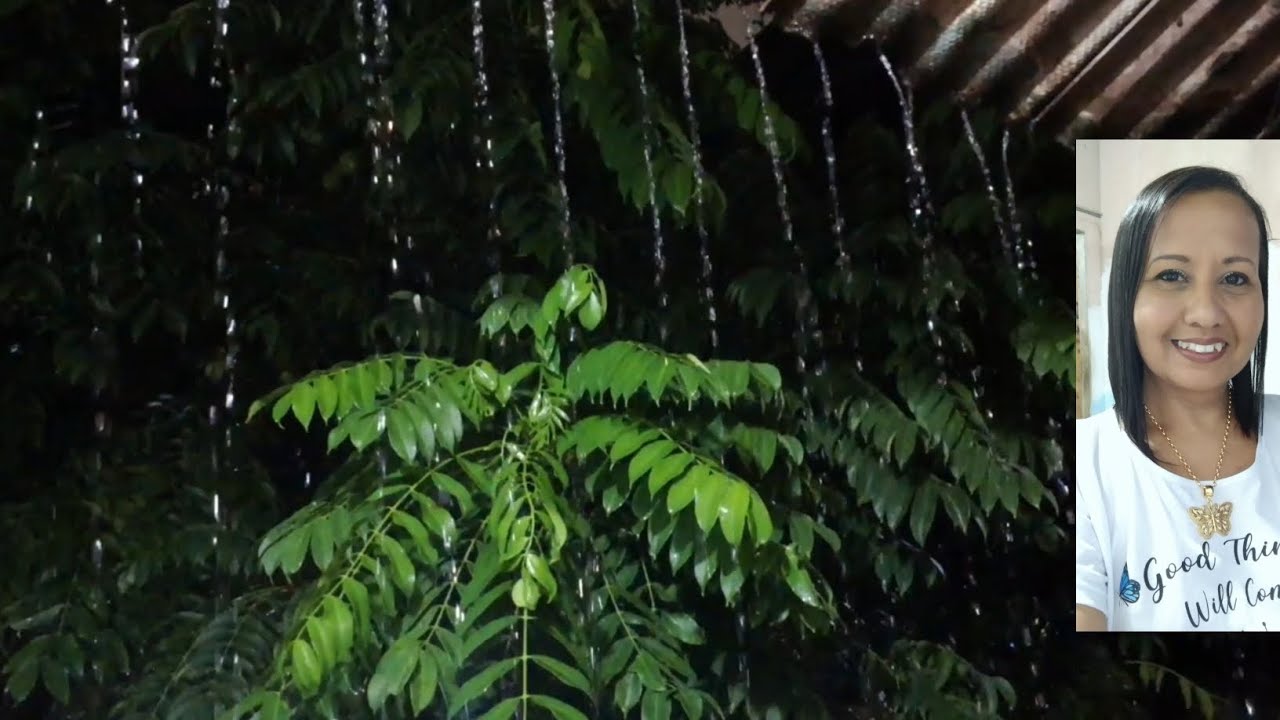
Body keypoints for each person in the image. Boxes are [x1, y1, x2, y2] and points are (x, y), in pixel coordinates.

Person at [1076, 165, 1278, 631]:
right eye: (1171, 275)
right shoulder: (1083, 465)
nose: (1206, 313)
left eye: (1235, 279)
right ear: (1126, 296)